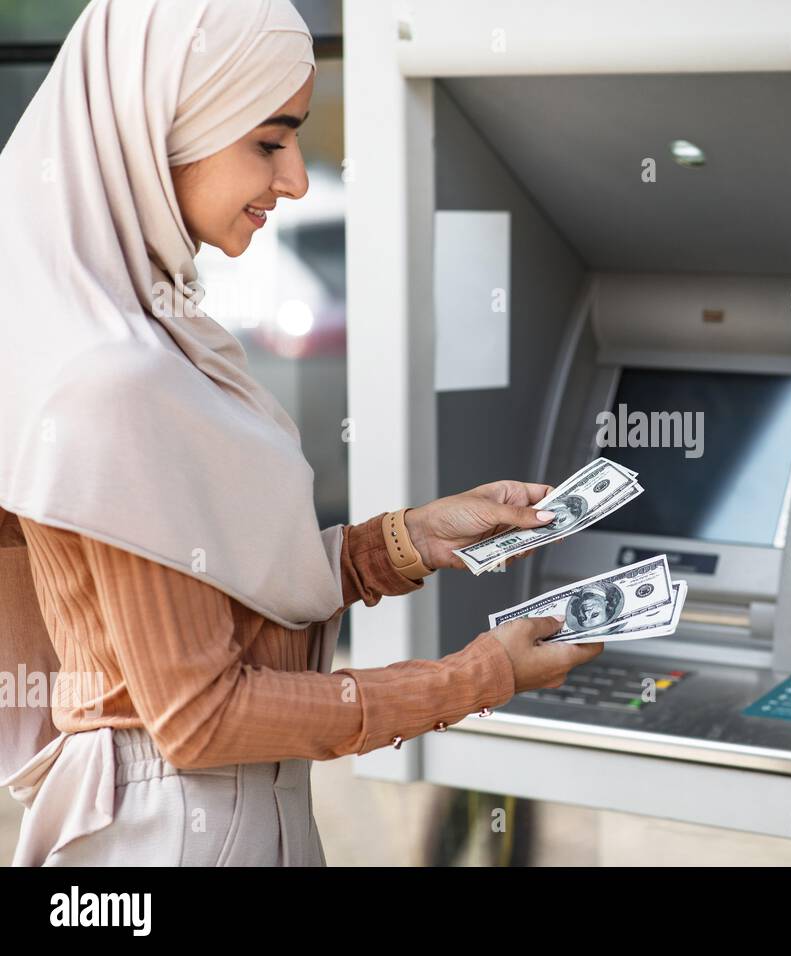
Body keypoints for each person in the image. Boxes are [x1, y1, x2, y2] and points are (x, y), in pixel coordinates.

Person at [0, 0, 600, 867]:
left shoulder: (137, 340)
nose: (297, 180)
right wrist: (480, 677)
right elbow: (202, 717)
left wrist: (412, 538)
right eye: (268, 142)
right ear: (163, 126)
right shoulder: (113, 380)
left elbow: (224, 596)